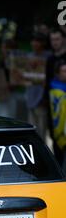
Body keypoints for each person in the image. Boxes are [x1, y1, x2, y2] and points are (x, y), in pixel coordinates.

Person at [45, 28, 66, 162]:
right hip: (54, 105)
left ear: (63, 40)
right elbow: (46, 81)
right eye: (52, 39)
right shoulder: (50, 59)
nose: (55, 42)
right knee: (55, 138)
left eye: (57, 39)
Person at [49, 61, 66, 171]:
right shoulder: (59, 92)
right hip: (61, 134)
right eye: (64, 71)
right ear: (58, 73)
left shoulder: (53, 87)